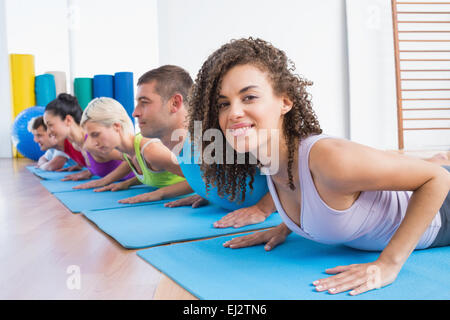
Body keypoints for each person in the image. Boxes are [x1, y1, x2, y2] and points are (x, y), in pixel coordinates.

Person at [185, 37, 450, 296]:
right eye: (224, 103)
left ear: (285, 102)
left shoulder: (329, 159)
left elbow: (437, 180)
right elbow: (308, 196)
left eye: (250, 97)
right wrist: (288, 226)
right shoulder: (267, 160)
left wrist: (388, 264)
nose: (234, 113)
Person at [106, 64, 277, 227]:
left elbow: (295, 172)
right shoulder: (185, 147)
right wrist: (209, 193)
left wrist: (264, 208)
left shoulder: (213, 138)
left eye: (144, 102)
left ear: (175, 103)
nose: (135, 112)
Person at [79, 97, 188, 203]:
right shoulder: (127, 152)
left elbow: (201, 179)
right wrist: (127, 183)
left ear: (116, 126)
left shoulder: (151, 151)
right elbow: (156, 173)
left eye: (96, 134)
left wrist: (159, 193)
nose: (93, 143)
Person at [43, 93, 134, 182]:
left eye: (50, 125)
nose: (48, 132)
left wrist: (105, 181)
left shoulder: (96, 142)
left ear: (68, 120)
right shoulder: (76, 144)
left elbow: (132, 158)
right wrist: (90, 171)